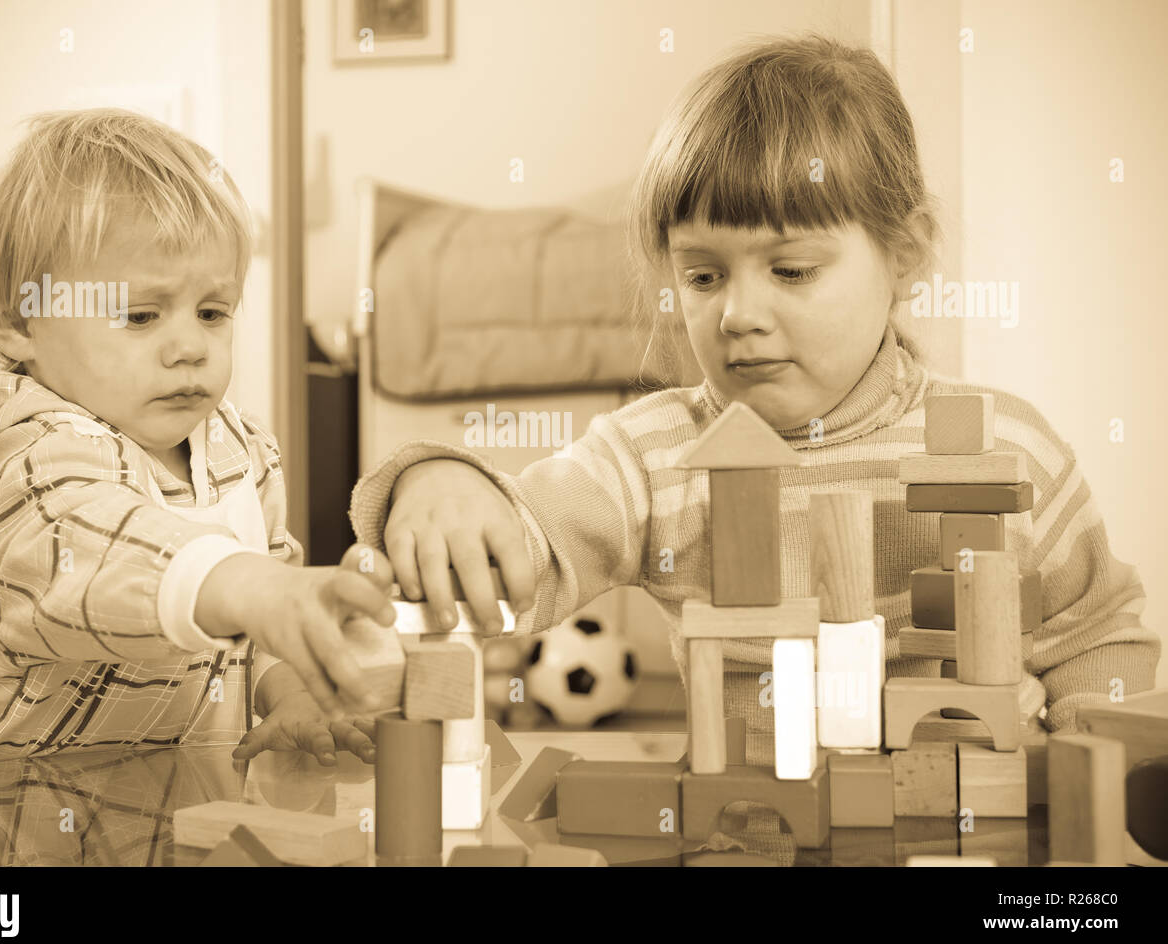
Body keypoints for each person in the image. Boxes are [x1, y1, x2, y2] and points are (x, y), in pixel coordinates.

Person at [350, 35, 1158, 755]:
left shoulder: (1009, 446)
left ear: (905, 254)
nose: (736, 314)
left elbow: (1092, 637)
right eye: (702, 276)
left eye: (791, 270)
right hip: (749, 826)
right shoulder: (654, 453)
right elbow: (526, 539)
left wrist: (1087, 786)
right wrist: (432, 480)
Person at [0, 108, 391, 776]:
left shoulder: (241, 448)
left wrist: (288, 688)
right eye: (140, 316)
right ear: (16, 323)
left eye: (212, 312)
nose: (189, 346)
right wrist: (253, 586)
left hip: (153, 799)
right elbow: (96, 551)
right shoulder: (27, 452)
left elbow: (265, 619)